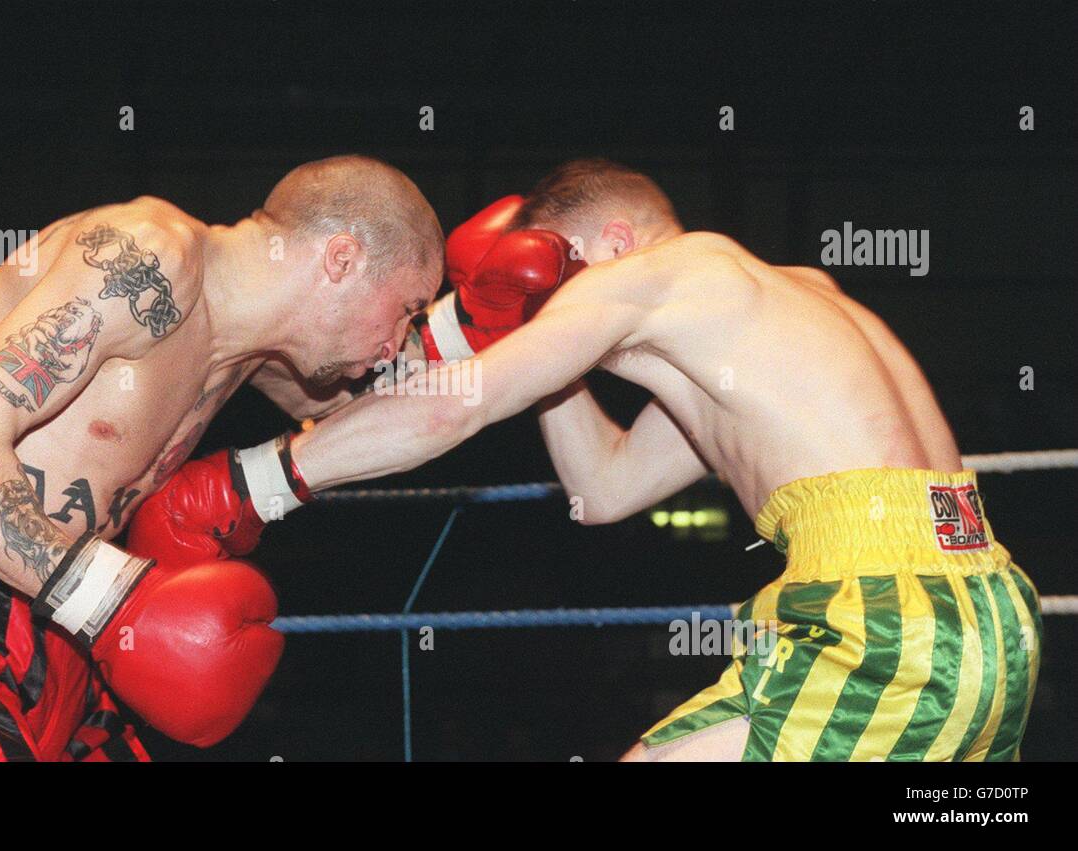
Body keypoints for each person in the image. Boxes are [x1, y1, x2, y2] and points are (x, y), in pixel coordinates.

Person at [198, 159, 1042, 761]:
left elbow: (454, 403)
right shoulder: (770, 311)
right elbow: (602, 488)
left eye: (558, 276)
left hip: (888, 630)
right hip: (967, 610)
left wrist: (255, 479)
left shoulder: (660, 273)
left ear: (612, 240)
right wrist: (533, 341)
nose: (560, 304)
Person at [0, 155, 446, 761]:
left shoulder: (254, 351)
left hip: (72, 631)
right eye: (407, 309)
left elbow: (413, 406)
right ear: (342, 258)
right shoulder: (148, 260)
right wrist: (116, 604)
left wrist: (474, 322)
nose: (397, 342)